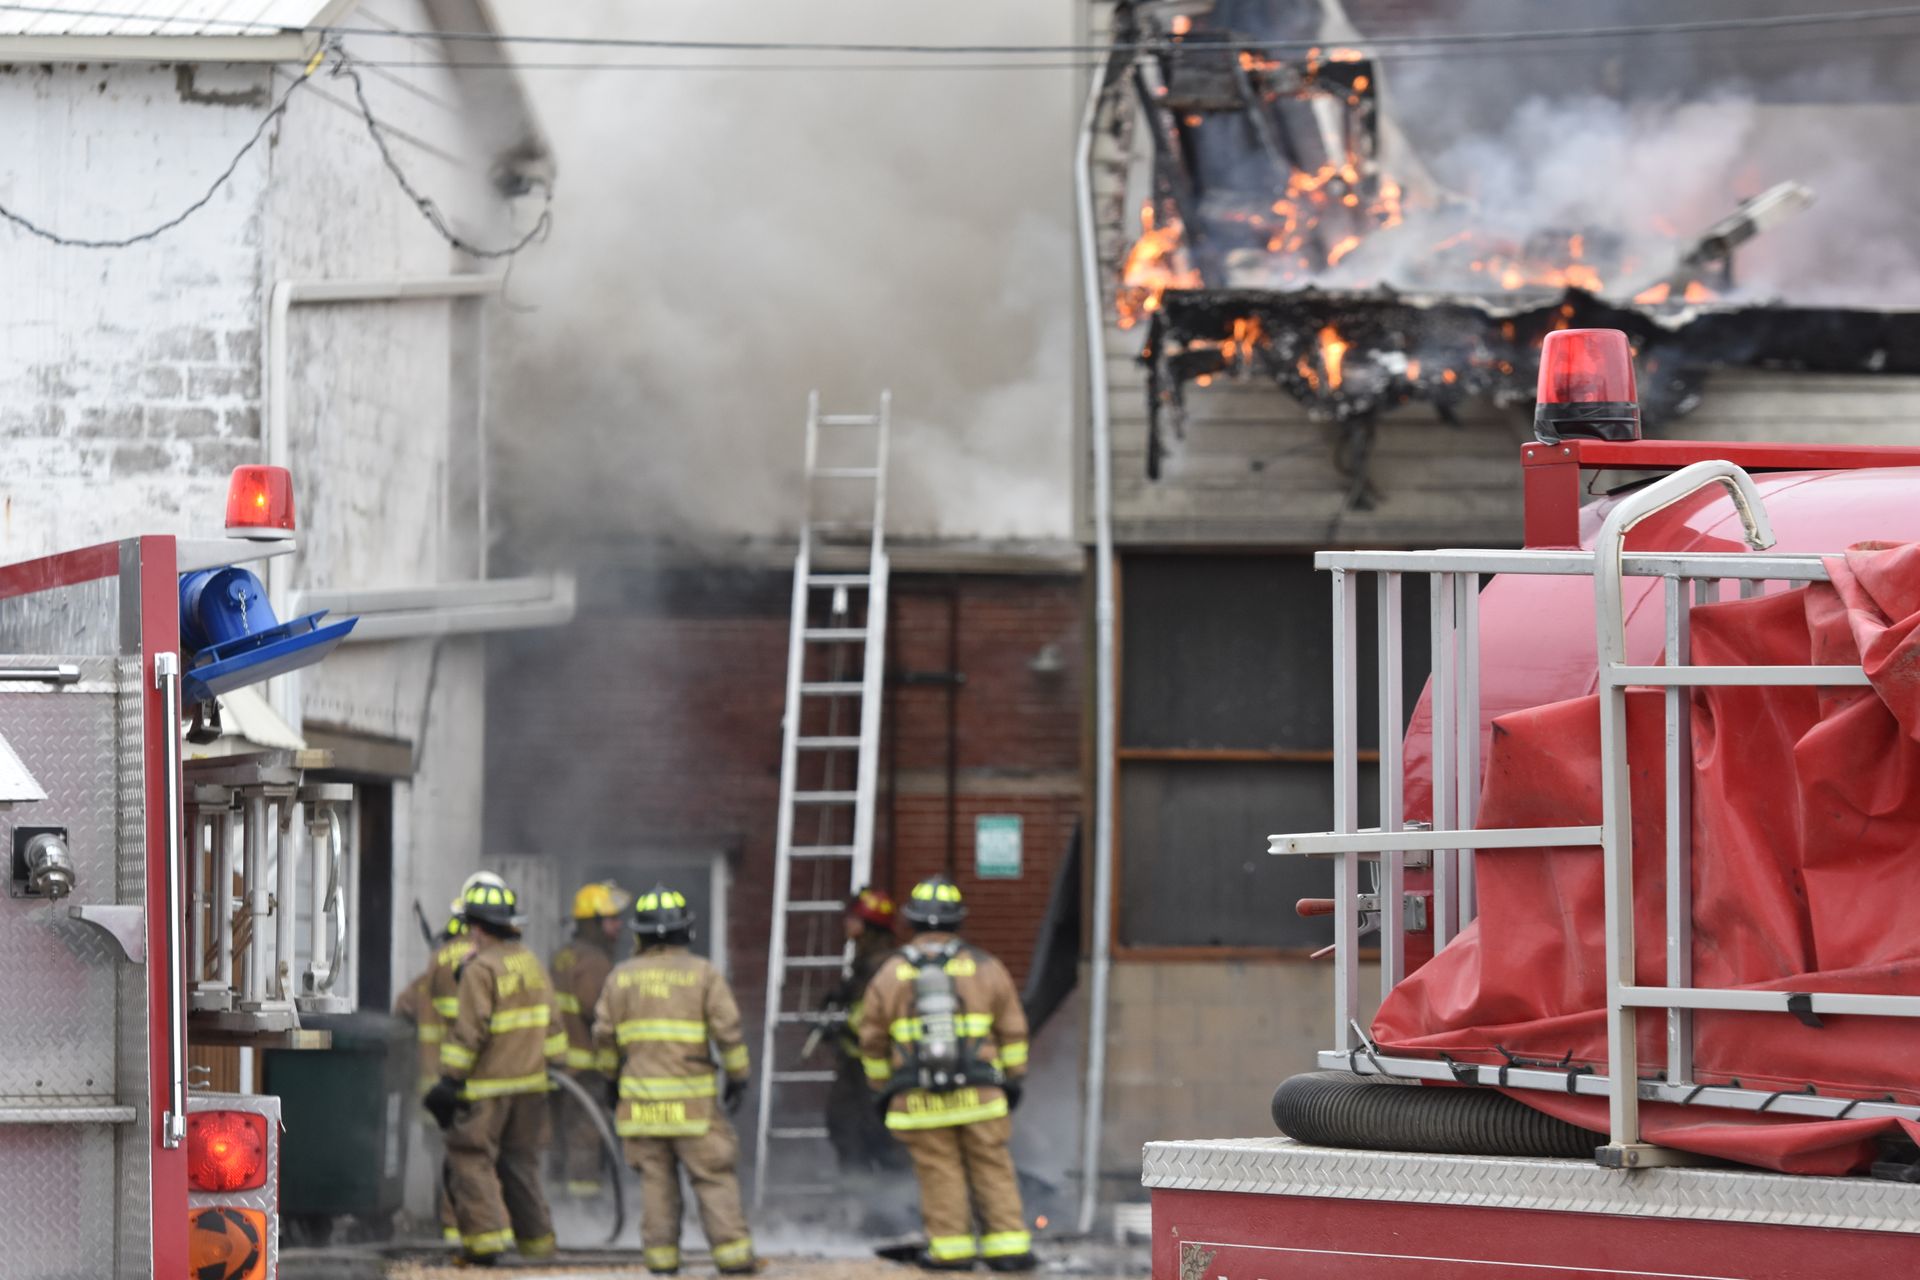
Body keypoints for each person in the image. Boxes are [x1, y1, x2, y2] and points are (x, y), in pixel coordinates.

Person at [859, 875, 1035, 1273]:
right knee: (992, 1167)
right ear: (958, 921)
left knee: (940, 1173)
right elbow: (1013, 1029)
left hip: (919, 1098)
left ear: (912, 921)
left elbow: (871, 1039)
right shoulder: (986, 967)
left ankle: (952, 1250)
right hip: (982, 1095)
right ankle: (1008, 1248)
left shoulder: (890, 974)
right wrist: (1013, 1078)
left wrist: (881, 1087)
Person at [592, 884, 756, 1276]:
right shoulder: (703, 975)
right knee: (713, 1178)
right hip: (695, 1108)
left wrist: (611, 1079)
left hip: (642, 1107)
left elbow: (604, 1036)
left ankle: (662, 1263)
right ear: (686, 930)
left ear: (639, 933)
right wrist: (738, 1077)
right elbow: (728, 1032)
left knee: (656, 1185)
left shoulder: (621, 978)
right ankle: (733, 1260)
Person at [425, 878, 567, 1265]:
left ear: (476, 926)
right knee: (521, 1164)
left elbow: (469, 1032)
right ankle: (539, 1250)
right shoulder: (532, 963)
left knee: (470, 1158)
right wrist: (555, 1068)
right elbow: (554, 1027)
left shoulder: (480, 969)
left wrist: (449, 1080)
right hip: (532, 1088)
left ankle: (485, 1248)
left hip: (488, 1090)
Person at [393, 910, 472, 1246]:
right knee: (470, 1157)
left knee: (443, 1155)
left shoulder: (429, 974)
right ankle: (462, 1228)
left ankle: (448, 1227)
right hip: (464, 1084)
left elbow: (402, 1007)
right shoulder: (479, 965)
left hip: (430, 1087)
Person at [551, 880, 629, 1197]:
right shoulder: (595, 963)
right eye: (611, 920)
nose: (618, 927)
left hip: (558, 1069)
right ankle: (585, 1210)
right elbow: (601, 1016)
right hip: (586, 1073)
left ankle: (558, 1207)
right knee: (586, 1140)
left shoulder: (563, 957)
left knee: (561, 1142)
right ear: (592, 923)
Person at [824, 887, 905, 1174]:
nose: (847, 923)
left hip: (874, 1065)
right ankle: (864, 1198)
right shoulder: (867, 959)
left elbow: (873, 1014)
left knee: (878, 1134)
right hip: (856, 1064)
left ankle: (891, 1202)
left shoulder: (881, 964)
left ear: (868, 924)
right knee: (845, 1126)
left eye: (854, 918)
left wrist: (841, 1027)